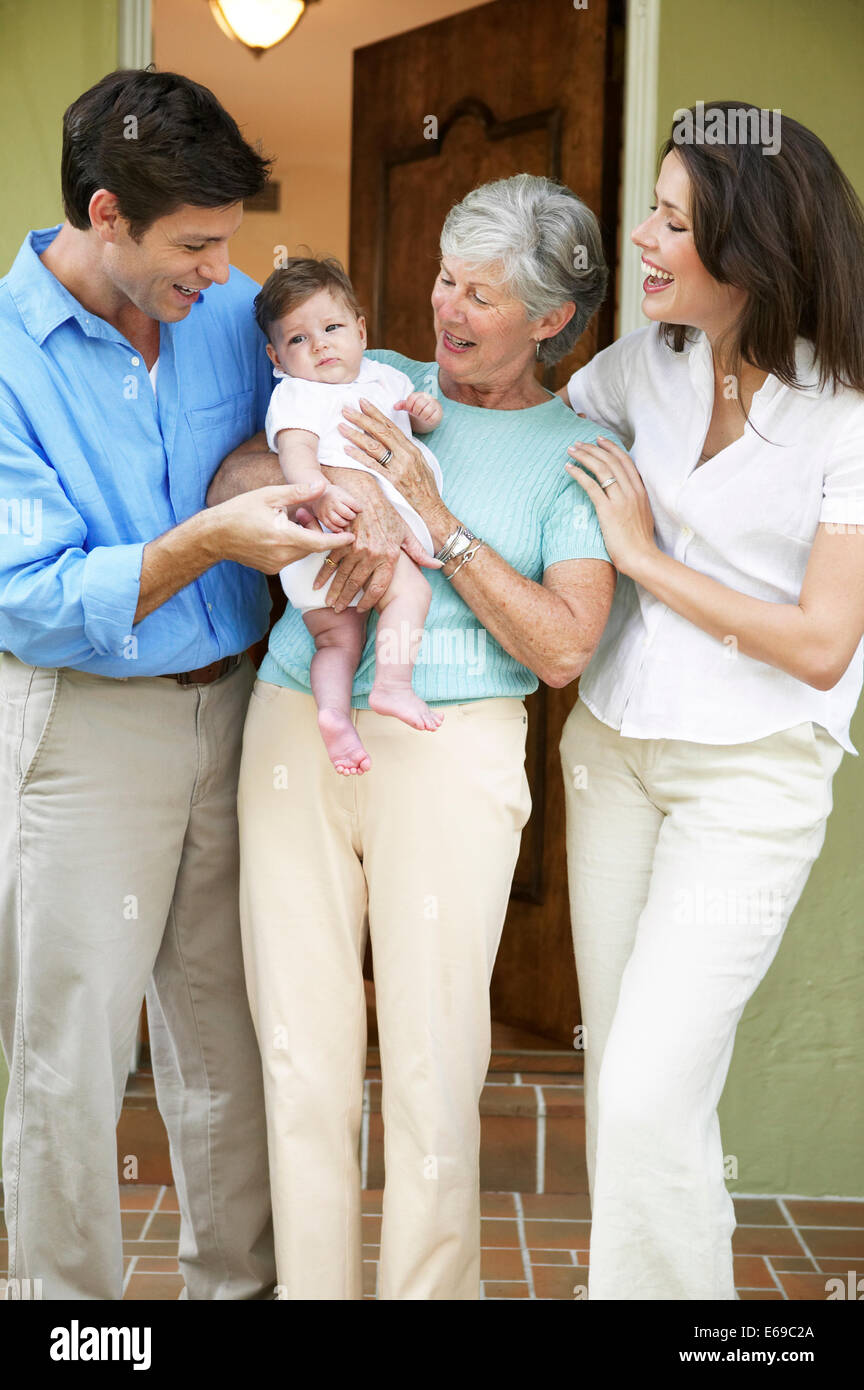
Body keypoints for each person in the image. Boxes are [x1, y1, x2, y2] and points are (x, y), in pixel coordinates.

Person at [208, 173, 617, 1299]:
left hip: (451, 746)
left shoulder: (572, 454)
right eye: (446, 277)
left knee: (435, 1064)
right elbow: (245, 464)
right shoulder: (363, 377)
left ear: (549, 319)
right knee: (300, 1057)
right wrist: (317, 492)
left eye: (482, 295)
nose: (449, 308)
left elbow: (565, 645)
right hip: (297, 721)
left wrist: (432, 522)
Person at [0, 68, 350, 1301]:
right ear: (106, 215)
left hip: (245, 706)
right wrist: (210, 540)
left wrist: (259, 466)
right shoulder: (4, 355)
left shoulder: (230, 303)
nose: (218, 272)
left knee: (229, 1039)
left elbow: (300, 416)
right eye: (194, 246)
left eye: (226, 244)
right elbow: (26, 592)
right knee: (72, 1055)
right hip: (90, 726)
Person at [559, 103, 864, 1300]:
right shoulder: (646, 364)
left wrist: (640, 558)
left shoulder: (846, 415)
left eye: (673, 221)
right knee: (630, 1094)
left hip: (753, 776)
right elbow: (537, 436)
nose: (639, 236)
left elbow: (824, 643)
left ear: (754, 250)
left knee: (647, 1090)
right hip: (615, 748)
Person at [256, 257, 447, 774]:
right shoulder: (297, 393)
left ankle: (334, 715)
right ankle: (393, 684)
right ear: (276, 355)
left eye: (332, 328)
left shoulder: (385, 378)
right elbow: (295, 454)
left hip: (325, 556)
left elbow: (407, 431)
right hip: (332, 531)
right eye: (297, 339)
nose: (318, 345)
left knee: (335, 639)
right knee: (412, 593)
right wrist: (318, 496)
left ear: (361, 330)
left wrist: (423, 417)